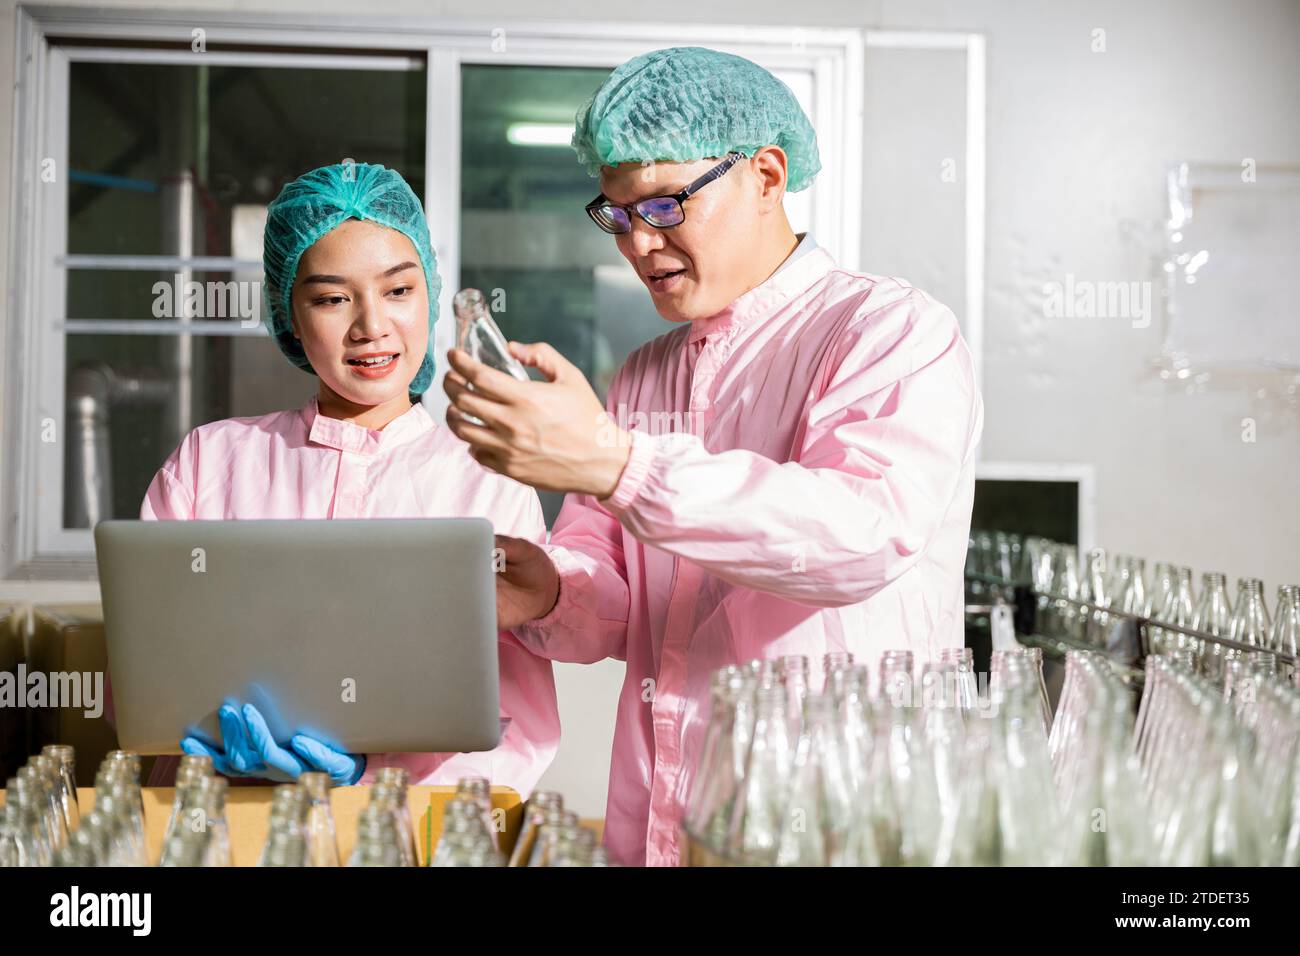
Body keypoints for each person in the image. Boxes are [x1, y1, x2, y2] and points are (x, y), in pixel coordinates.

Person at [444, 47, 984, 865]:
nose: (635, 243)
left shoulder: (889, 332)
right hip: (664, 816)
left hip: (828, 823)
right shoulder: (646, 373)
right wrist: (548, 589)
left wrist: (614, 464)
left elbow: (858, 537)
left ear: (766, 176)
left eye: (663, 206)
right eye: (618, 213)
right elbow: (620, 601)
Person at [139, 162, 559, 795]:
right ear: (290, 311)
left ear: (430, 293)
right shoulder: (210, 461)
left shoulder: (490, 479)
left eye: (398, 291)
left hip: (405, 839)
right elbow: (142, 678)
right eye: (333, 298)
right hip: (226, 822)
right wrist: (211, 747)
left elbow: (517, 733)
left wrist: (371, 781)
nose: (371, 326)